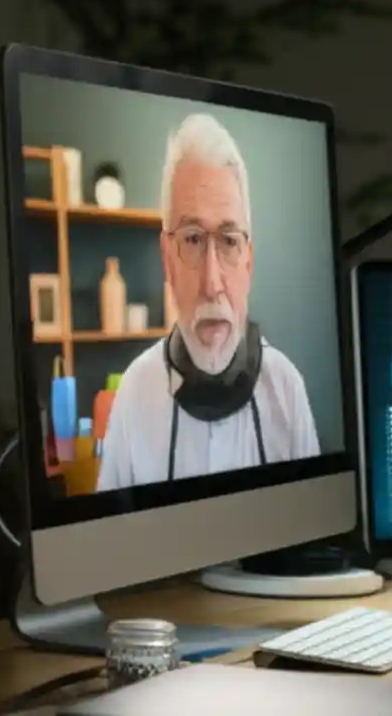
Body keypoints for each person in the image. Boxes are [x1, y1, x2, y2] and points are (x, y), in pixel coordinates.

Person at [97, 113, 319, 490]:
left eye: (230, 241)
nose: (212, 283)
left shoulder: (287, 389)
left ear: (249, 262)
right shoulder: (135, 393)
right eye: (193, 239)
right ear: (167, 259)